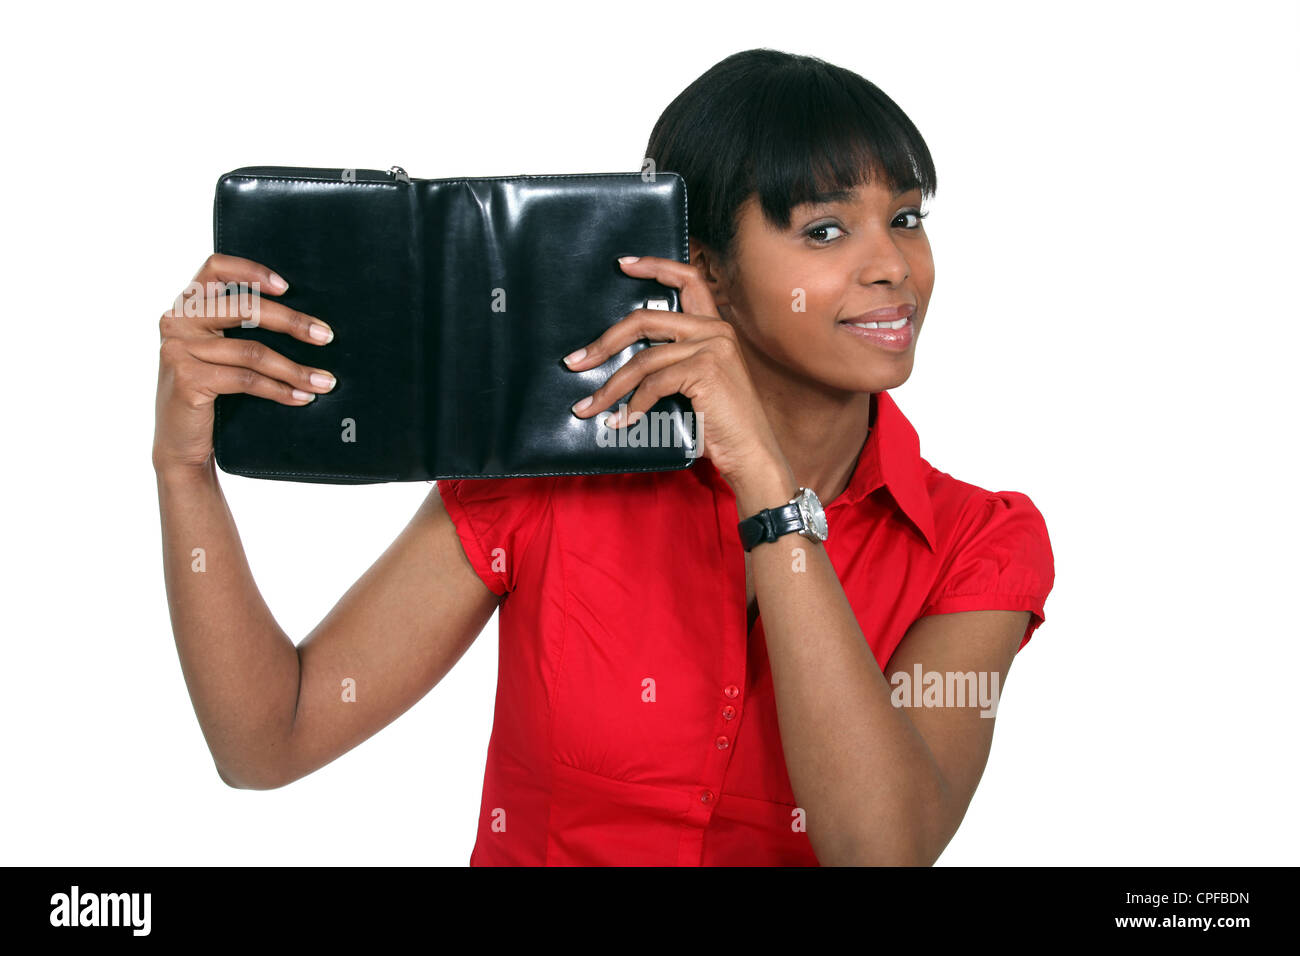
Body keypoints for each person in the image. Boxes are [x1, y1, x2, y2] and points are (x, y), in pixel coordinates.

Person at [154, 48, 1054, 866]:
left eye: (905, 217)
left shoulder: (980, 543)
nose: (893, 265)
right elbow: (268, 741)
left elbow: (883, 850)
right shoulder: (553, 475)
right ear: (703, 269)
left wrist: (768, 493)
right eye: (824, 231)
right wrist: (184, 472)